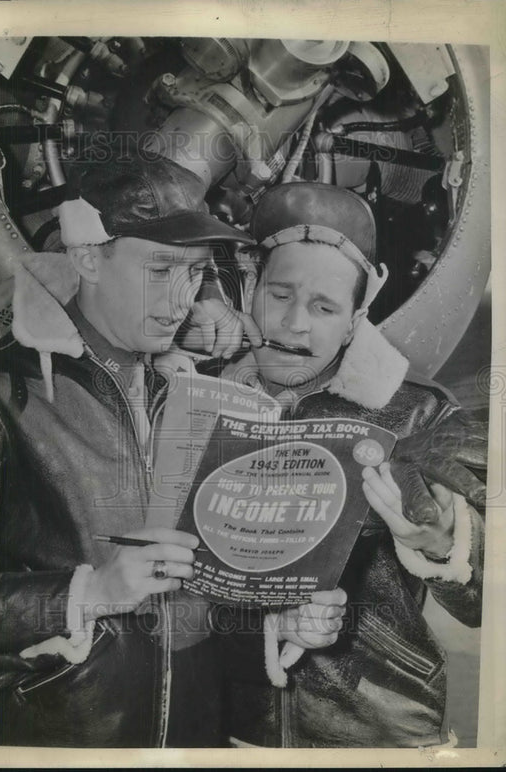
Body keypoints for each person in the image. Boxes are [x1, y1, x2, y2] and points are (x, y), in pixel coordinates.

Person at [0, 153, 259, 747]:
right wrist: (89, 594)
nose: (183, 299)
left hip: (192, 742)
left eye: (196, 273)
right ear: (86, 258)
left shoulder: (194, 394)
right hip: (51, 743)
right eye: (160, 269)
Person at [214, 182, 485, 748]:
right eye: (280, 294)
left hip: (380, 733)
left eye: (324, 307)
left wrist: (443, 544)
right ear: (248, 286)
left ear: (358, 315)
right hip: (225, 727)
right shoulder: (195, 402)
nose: (294, 325)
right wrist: (263, 628)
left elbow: (487, 604)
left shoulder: (418, 414)